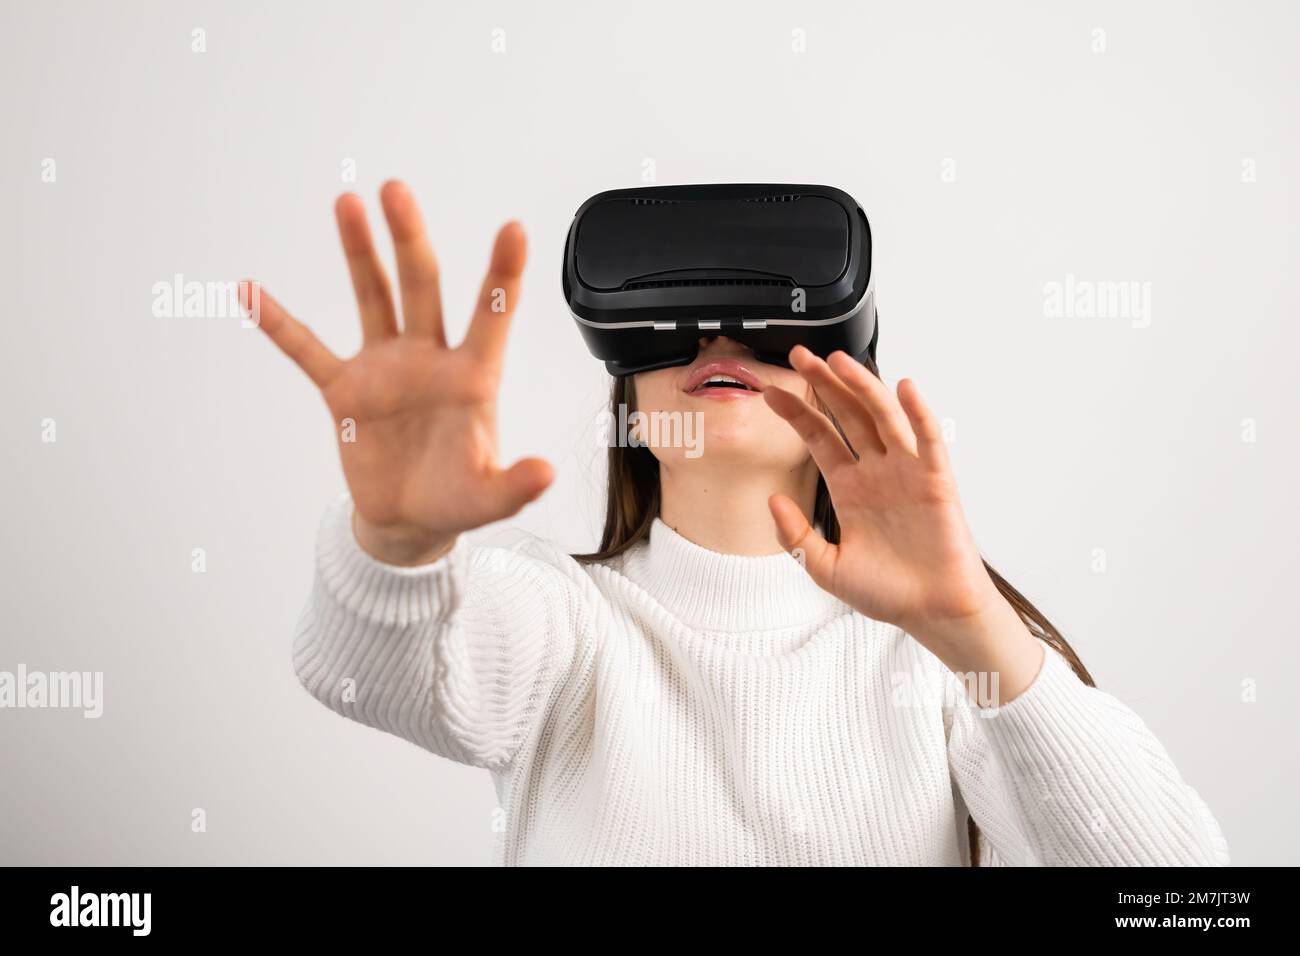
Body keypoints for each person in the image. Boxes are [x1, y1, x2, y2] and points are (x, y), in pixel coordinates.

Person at [244, 180, 1230, 866]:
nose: (718, 335)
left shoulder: (929, 662)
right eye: (679, 315)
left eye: (761, 315)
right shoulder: (561, 619)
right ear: (627, 393)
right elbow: (361, 670)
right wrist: (397, 544)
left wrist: (973, 623)